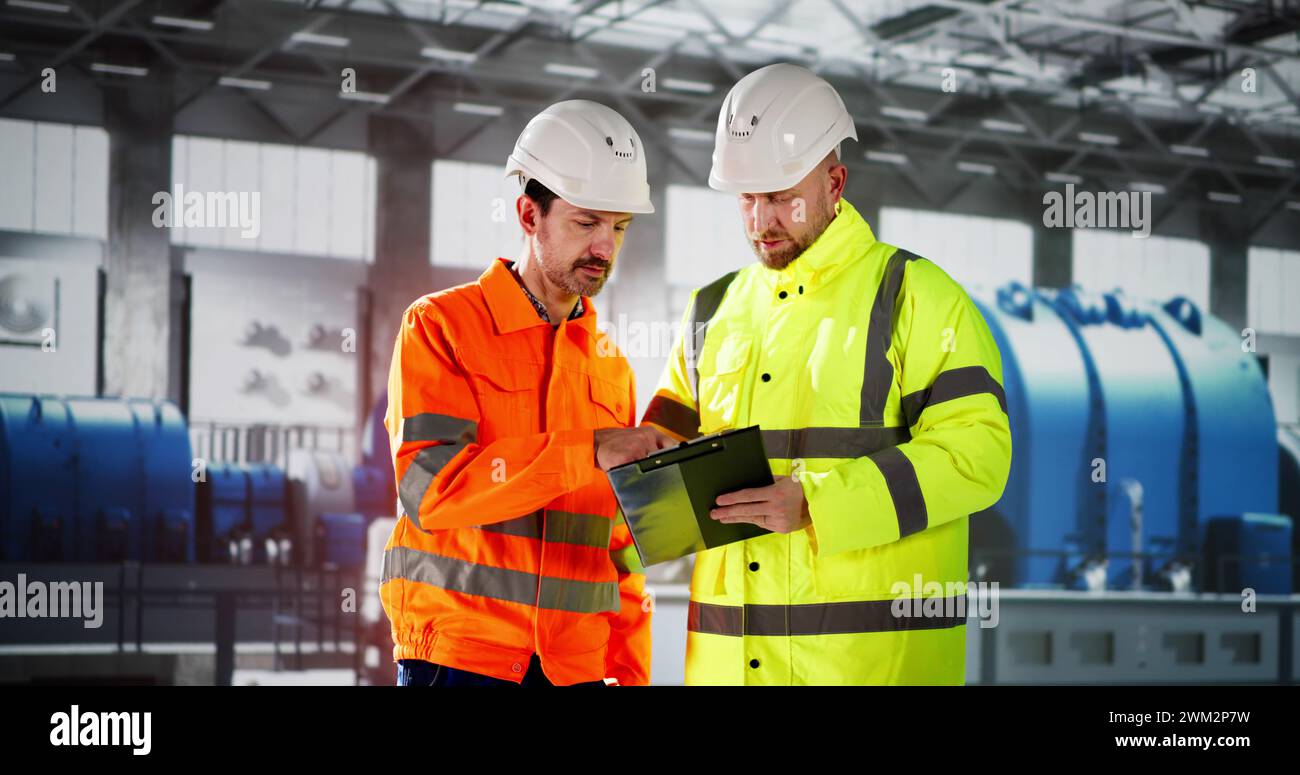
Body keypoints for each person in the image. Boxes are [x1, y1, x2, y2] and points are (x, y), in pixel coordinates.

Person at [643, 64, 1013, 685]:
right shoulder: (711, 310)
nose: (762, 222)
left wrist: (819, 503)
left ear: (835, 182)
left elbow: (978, 454)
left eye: (781, 196)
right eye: (747, 198)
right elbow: (661, 465)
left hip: (866, 671)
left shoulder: (915, 295)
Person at [382, 100, 675, 686]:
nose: (605, 249)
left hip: (578, 669)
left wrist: (631, 672)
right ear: (528, 214)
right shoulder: (442, 326)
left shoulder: (611, 366)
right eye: (586, 223)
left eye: (619, 227)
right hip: (461, 659)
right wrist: (587, 449)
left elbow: (618, 550)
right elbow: (431, 491)